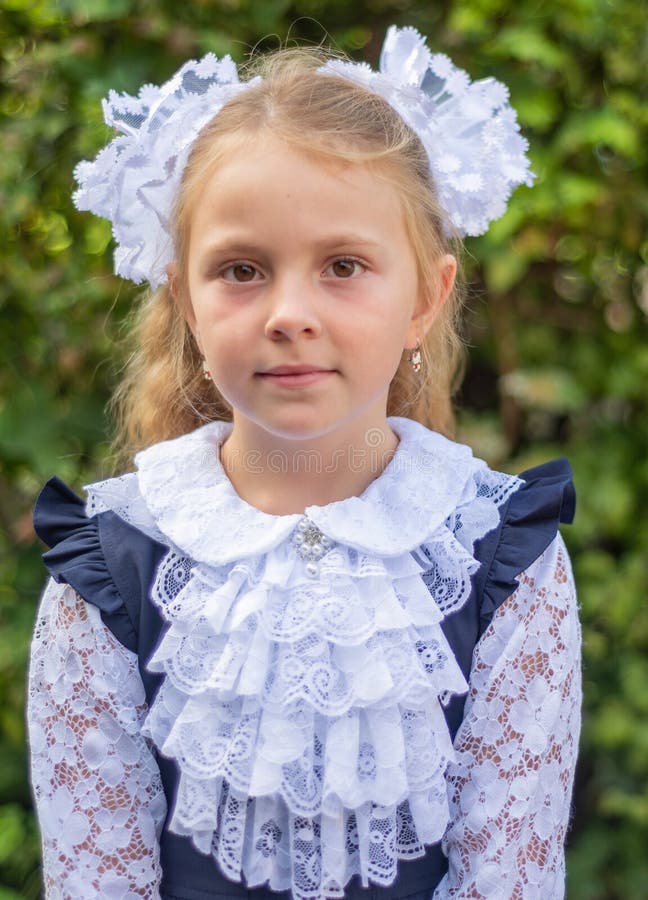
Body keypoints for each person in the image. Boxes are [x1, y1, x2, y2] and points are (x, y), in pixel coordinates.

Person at [27, 25, 581, 900]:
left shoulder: (505, 560)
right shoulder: (106, 571)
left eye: (345, 265)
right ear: (186, 302)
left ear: (425, 301)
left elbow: (508, 875)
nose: (289, 312)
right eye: (242, 269)